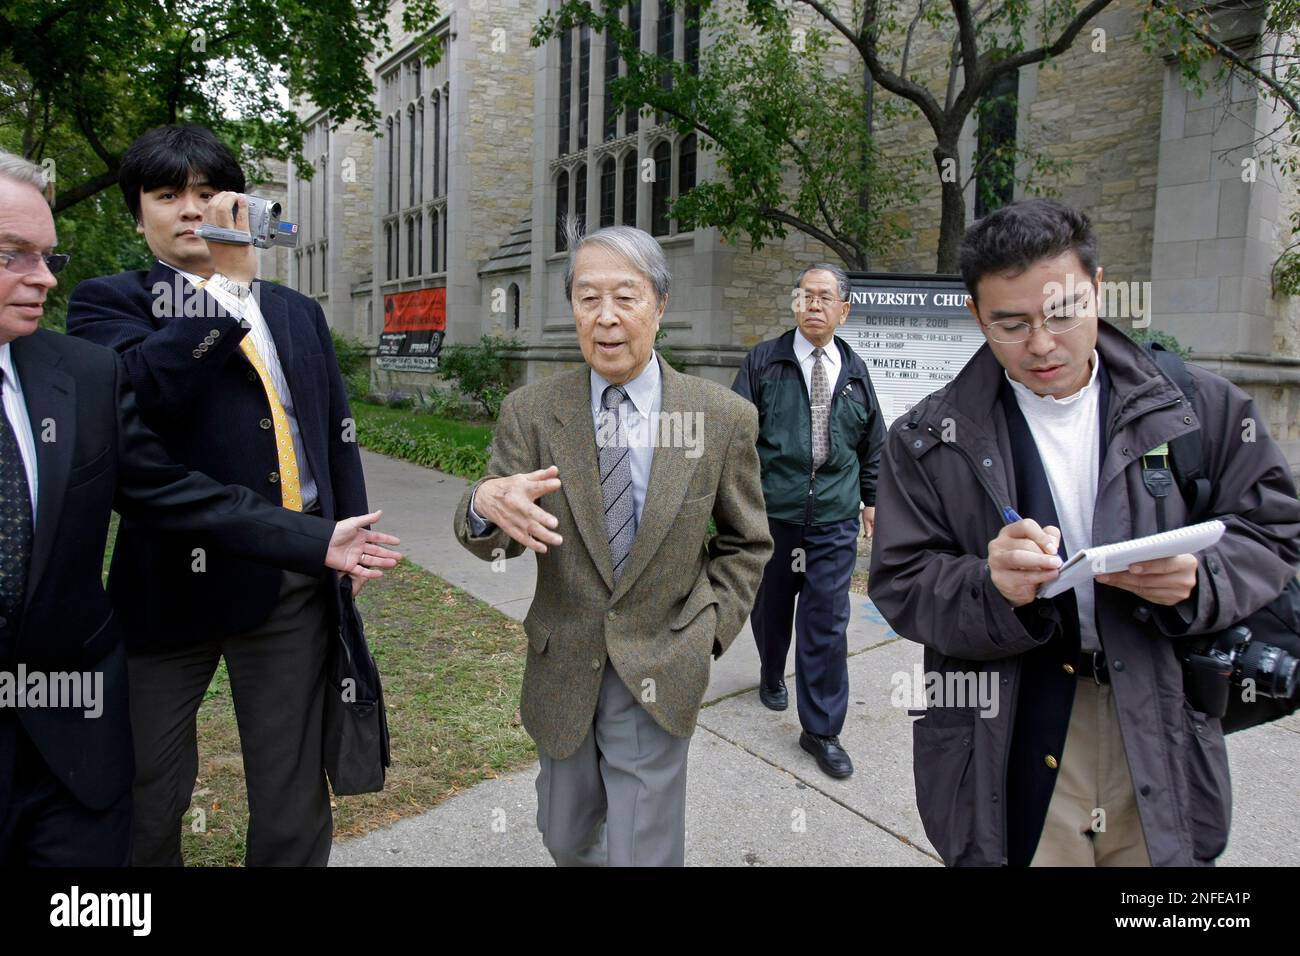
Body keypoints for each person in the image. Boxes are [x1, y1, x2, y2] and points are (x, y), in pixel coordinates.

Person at [868, 198, 1300, 866]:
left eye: (1064, 313)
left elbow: (1274, 531)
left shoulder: (1198, 408)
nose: (1041, 344)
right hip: (1009, 723)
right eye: (1011, 324)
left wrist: (1197, 578)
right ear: (976, 316)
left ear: (1098, 289)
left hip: (1157, 705)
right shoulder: (928, 440)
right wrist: (989, 585)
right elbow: (901, 584)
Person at [0, 151, 400, 865]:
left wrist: (350, 540)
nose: (192, 209)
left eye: (210, 193)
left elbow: (334, 434)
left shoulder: (296, 312)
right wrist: (218, 294)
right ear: (137, 213)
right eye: (167, 194)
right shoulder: (105, 301)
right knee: (146, 789)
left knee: (290, 793)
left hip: (289, 581)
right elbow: (143, 401)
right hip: (165, 590)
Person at [453, 224, 772, 866]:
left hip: (660, 658)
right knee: (567, 836)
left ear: (659, 305)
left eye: (625, 298)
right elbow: (497, 546)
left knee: (642, 853)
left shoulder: (720, 416)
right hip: (563, 662)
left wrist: (707, 629)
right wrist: (483, 508)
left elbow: (748, 541)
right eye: (587, 297)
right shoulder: (533, 412)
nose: (605, 318)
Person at [732, 263, 884, 778]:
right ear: (796, 304)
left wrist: (872, 499)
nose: (814, 304)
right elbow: (736, 438)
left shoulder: (857, 371)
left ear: (844, 309)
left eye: (825, 297)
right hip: (775, 512)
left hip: (834, 520)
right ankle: (772, 671)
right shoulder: (763, 363)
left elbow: (872, 444)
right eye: (806, 296)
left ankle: (821, 730)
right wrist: (738, 502)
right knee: (772, 606)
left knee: (827, 620)